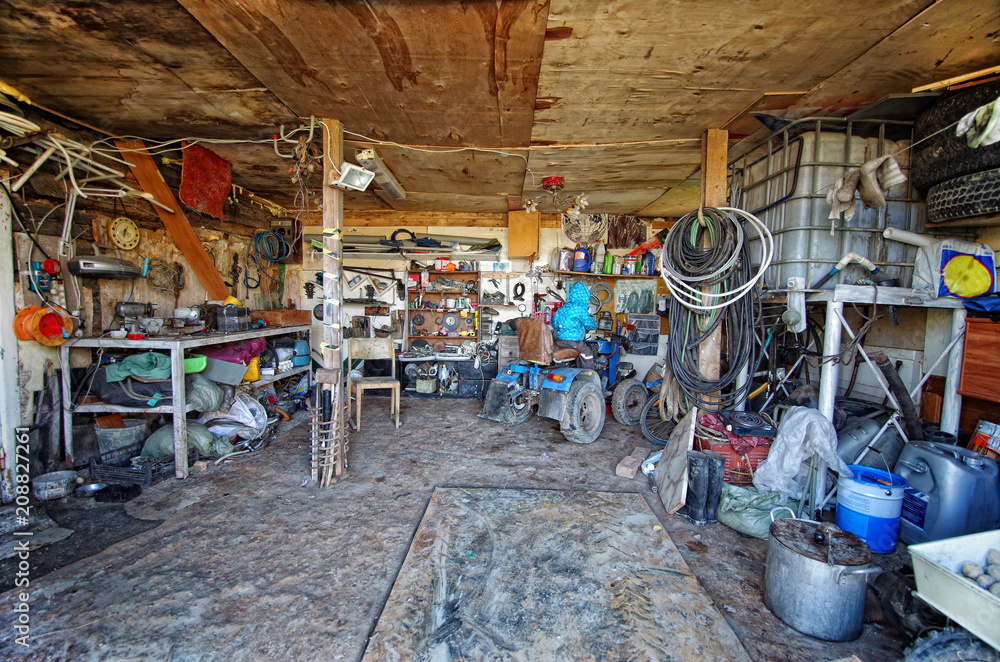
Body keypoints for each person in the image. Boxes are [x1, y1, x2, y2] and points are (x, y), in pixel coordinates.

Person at [551, 282, 596, 369]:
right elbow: (589, 324)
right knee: (586, 353)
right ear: (584, 296)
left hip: (560, 340)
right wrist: (595, 325)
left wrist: (562, 329)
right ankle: (588, 374)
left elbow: (554, 324)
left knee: (580, 353)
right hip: (573, 341)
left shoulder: (563, 308)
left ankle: (577, 370)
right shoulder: (579, 309)